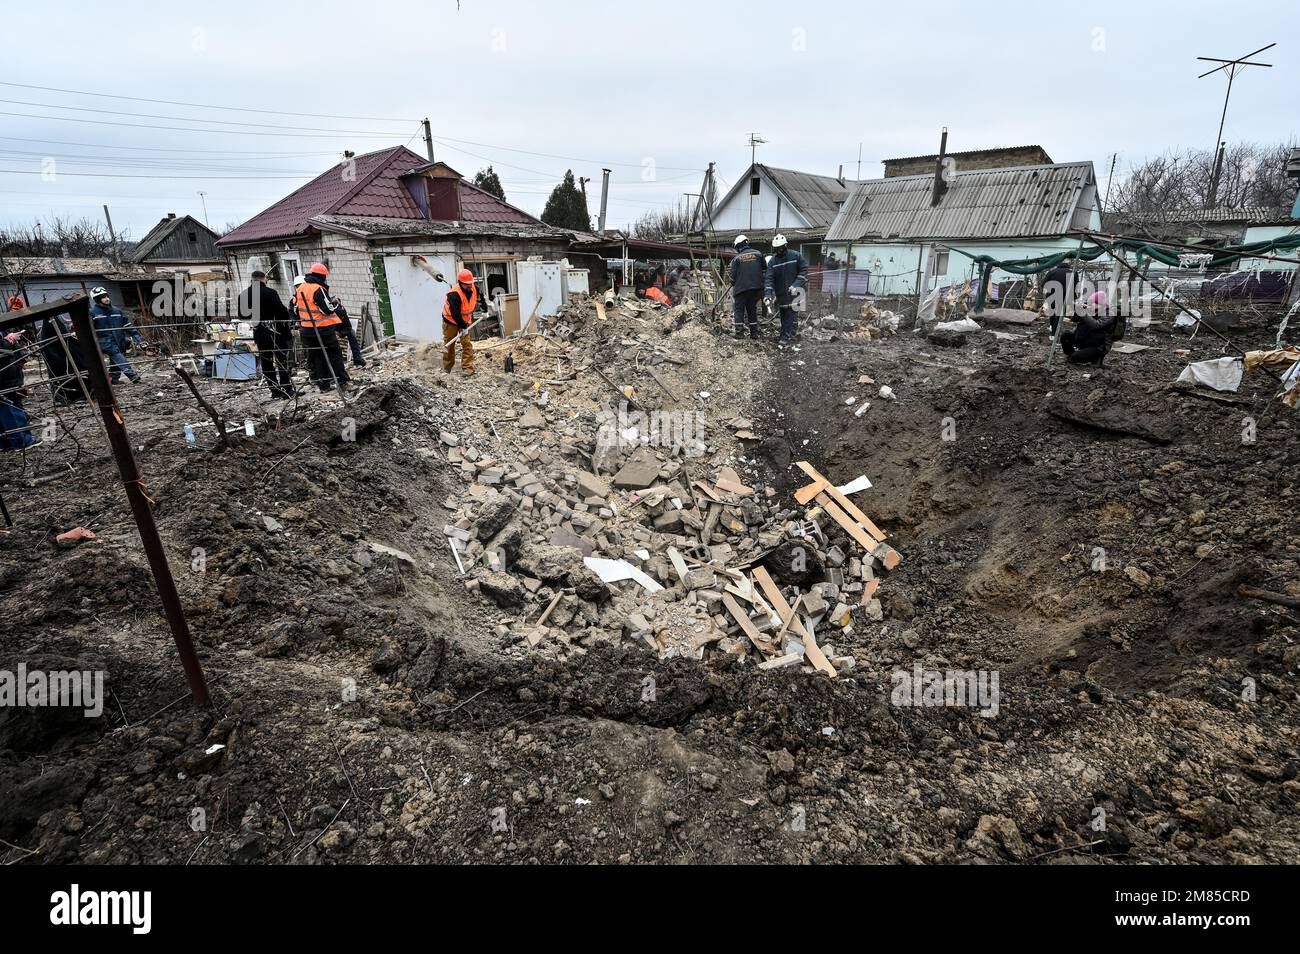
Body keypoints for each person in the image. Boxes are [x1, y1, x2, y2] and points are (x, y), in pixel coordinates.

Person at [238, 270, 296, 399]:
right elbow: (282, 312)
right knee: (281, 360)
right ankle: (287, 390)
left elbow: (242, 315)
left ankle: (274, 391)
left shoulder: (243, 295)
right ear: (263, 279)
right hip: (276, 333)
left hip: (259, 333)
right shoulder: (270, 293)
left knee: (266, 362)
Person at [293, 263, 350, 392]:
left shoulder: (301, 288)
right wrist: (336, 305)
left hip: (307, 330)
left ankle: (324, 386)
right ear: (322, 276)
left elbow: (296, 310)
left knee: (318, 357)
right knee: (335, 355)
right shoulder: (317, 288)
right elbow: (327, 309)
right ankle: (342, 381)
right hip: (322, 329)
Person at [88, 286, 143, 384]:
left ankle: (113, 379)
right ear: (97, 299)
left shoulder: (117, 311)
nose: (106, 299)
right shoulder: (92, 313)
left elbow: (127, 325)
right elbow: (89, 330)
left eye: (106, 296)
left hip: (119, 339)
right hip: (105, 342)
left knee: (116, 359)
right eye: (103, 297)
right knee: (118, 356)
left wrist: (138, 339)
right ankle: (132, 376)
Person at [764, 234, 809, 344]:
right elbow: (769, 279)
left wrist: (796, 284)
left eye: (780, 248)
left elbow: (804, 271)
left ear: (785, 246)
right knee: (784, 315)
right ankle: (788, 334)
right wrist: (768, 295)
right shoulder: (773, 262)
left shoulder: (796, 256)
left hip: (797, 292)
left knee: (792, 314)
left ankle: (786, 337)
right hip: (782, 294)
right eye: (776, 249)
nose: (779, 251)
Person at [439, 267, 480, 373]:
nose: (470, 286)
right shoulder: (454, 294)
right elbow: (455, 314)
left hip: (465, 320)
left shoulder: (474, 288)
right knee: (450, 345)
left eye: (471, 283)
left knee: (467, 344)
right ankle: (447, 368)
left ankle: (468, 368)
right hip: (450, 321)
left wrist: (485, 309)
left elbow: (481, 298)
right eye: (467, 284)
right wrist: (463, 326)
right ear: (460, 283)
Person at [1060, 290, 1116, 365]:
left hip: (1098, 346)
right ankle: (1072, 355)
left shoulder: (1109, 313)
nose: (1091, 304)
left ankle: (1096, 357)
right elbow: (1074, 319)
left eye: (1093, 302)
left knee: (1075, 357)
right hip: (1085, 339)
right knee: (1065, 336)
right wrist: (1078, 310)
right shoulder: (1091, 309)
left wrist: (1084, 313)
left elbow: (1096, 325)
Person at [0, 329, 34, 450]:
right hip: (5, 378)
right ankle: (22, 441)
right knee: (11, 408)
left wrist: (20, 358)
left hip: (8, 373)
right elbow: (3, 345)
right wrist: (9, 340)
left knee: (6, 408)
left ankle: (6, 443)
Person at [729, 234, 766, 339]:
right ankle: (754, 333)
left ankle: (739, 333)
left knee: (739, 310)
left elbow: (733, 278)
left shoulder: (736, 259)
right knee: (752, 310)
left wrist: (732, 283)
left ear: (738, 246)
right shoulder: (758, 254)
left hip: (741, 289)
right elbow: (764, 270)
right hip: (756, 289)